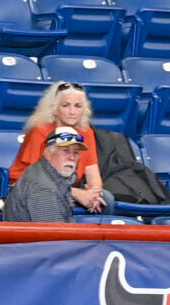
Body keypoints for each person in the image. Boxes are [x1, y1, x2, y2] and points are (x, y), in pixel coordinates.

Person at [8, 82, 109, 211]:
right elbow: (36, 179)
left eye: (78, 106)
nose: (72, 112)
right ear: (54, 109)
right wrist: (76, 193)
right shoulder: (39, 132)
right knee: (52, 198)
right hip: (29, 187)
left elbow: (93, 176)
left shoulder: (86, 132)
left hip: (66, 188)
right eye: (65, 105)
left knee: (106, 199)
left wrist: (94, 194)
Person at [4, 127, 114, 222]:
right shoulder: (44, 189)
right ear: (47, 153)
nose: (71, 157)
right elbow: (54, 241)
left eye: (75, 152)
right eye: (65, 151)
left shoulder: (47, 173)